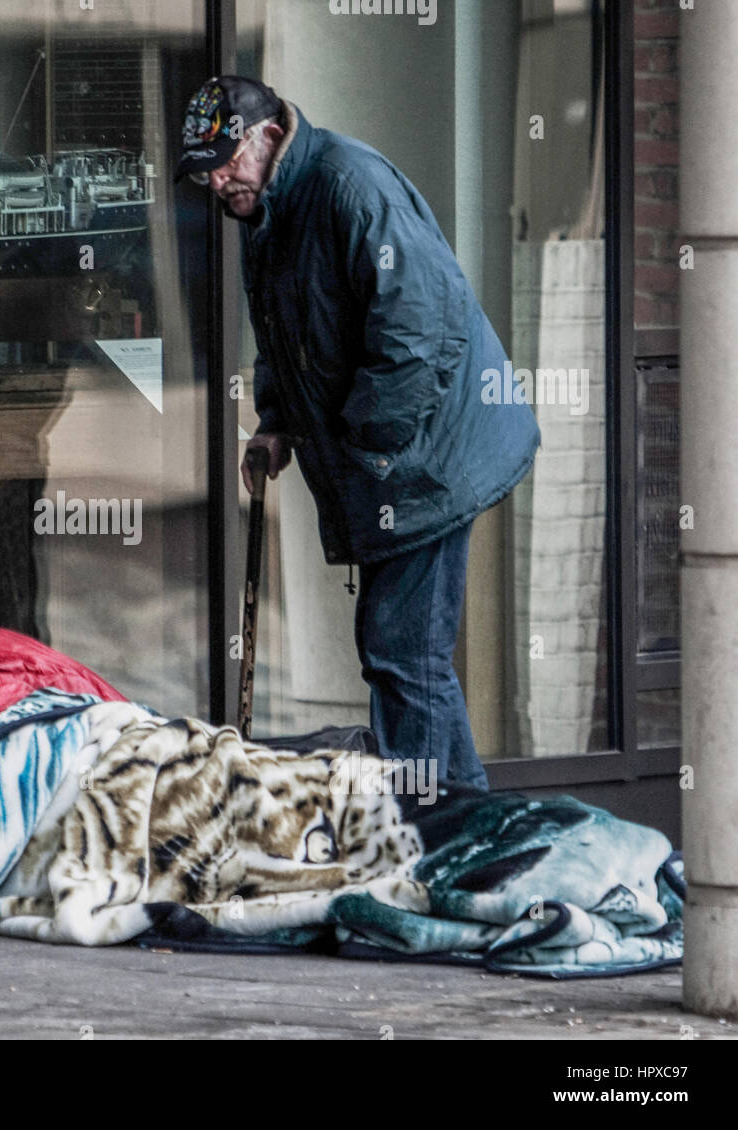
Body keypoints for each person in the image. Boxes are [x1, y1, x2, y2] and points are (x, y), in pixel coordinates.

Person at [175, 76, 541, 791]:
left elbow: (419, 331)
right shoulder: (268, 210)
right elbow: (284, 331)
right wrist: (277, 422)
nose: (218, 181)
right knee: (404, 654)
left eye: (226, 159)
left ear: (271, 135)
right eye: (205, 170)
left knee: (402, 652)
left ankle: (429, 838)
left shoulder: (351, 187)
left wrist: (368, 448)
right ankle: (463, 829)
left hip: (431, 457)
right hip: (393, 463)